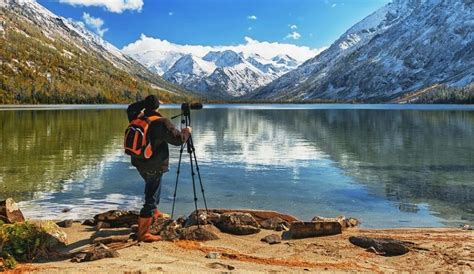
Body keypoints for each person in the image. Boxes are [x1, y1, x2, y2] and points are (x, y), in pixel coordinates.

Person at [126, 95, 191, 242]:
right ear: (157, 107)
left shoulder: (136, 117)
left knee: (151, 186)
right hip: (154, 165)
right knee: (151, 197)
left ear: (146, 106)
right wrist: (187, 131)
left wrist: (146, 102)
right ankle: (143, 233)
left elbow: (130, 107)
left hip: (139, 162)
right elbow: (178, 140)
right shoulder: (162, 122)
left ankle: (154, 212)